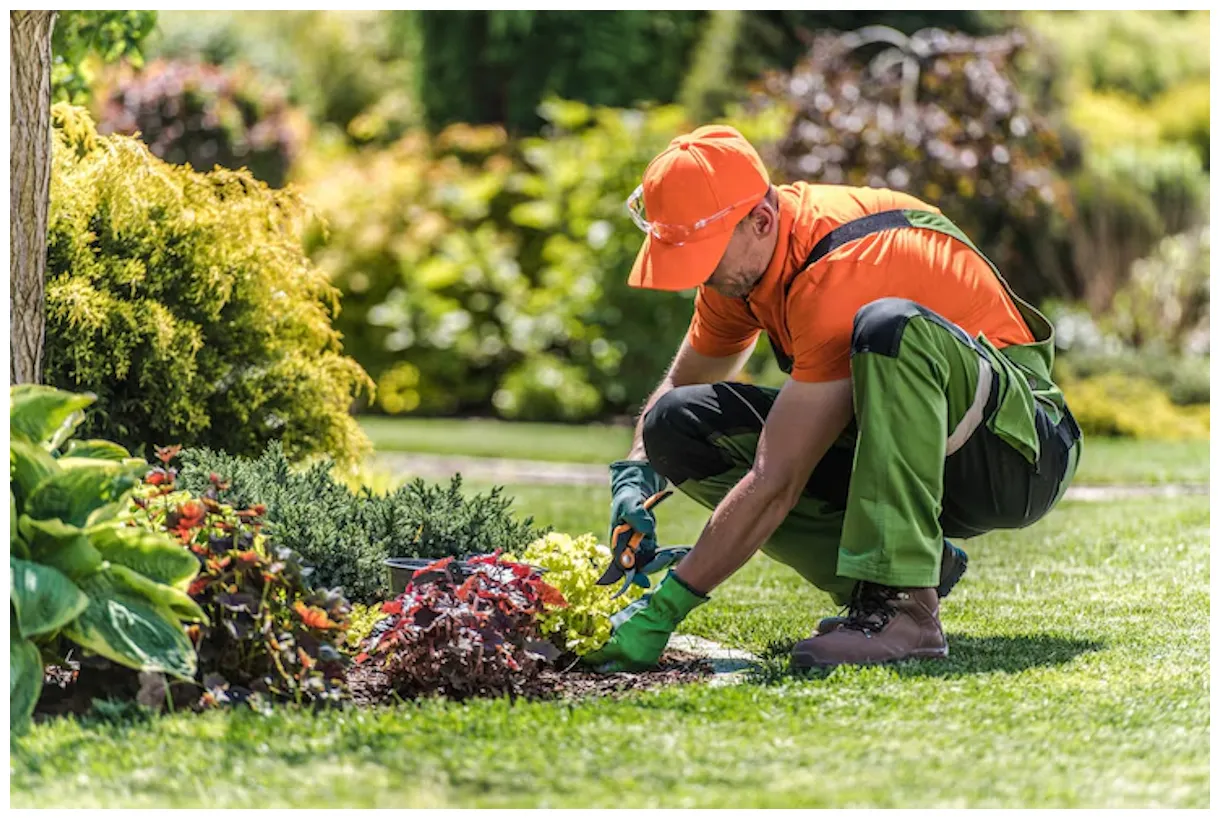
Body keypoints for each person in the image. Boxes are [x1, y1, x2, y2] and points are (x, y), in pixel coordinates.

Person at [585, 125, 1082, 671]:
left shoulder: (841, 267)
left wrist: (665, 607)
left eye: (703, 257)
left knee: (890, 326)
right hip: (923, 448)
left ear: (761, 221)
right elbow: (680, 386)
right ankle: (894, 580)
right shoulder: (742, 273)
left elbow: (777, 479)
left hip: (1018, 454)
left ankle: (904, 606)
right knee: (673, 423)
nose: (695, 277)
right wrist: (635, 474)